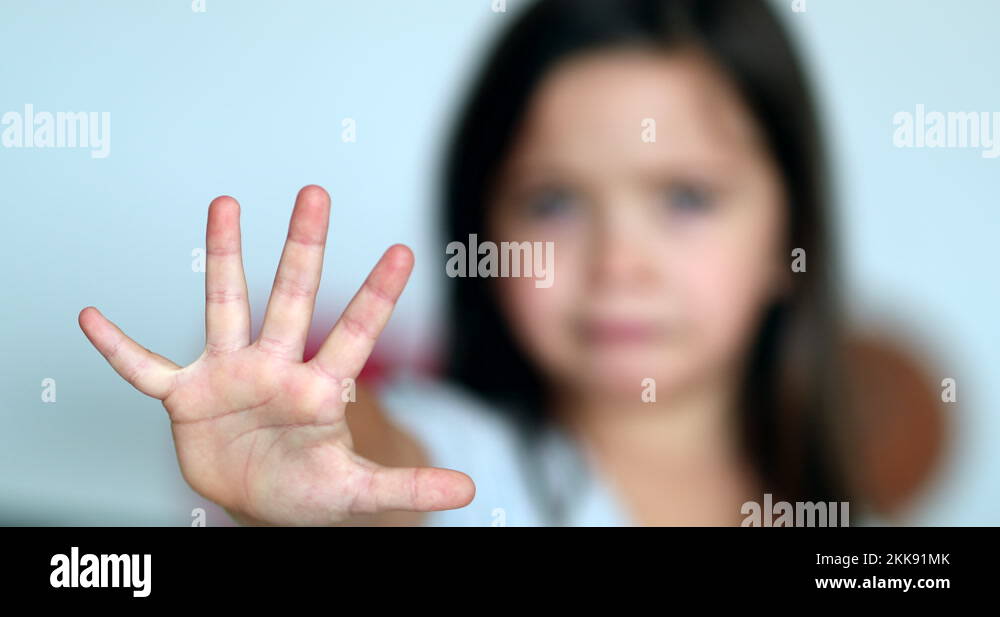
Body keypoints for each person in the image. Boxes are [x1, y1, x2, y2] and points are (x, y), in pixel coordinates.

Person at [78, 0, 860, 526]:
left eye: (686, 197)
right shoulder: (459, 469)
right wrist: (303, 452)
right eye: (553, 202)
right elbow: (377, 465)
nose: (619, 266)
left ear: (789, 239)